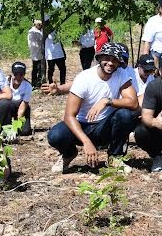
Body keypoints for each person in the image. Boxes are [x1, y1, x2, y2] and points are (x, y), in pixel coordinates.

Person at [46, 43, 138, 172]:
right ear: (99, 58)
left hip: (103, 126)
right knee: (55, 135)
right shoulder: (85, 78)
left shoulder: (121, 75)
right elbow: (69, 116)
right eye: (107, 58)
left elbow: (133, 103)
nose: (110, 63)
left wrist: (107, 101)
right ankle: (69, 154)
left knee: (125, 114)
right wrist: (86, 142)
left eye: (115, 60)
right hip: (81, 125)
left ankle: (115, 157)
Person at [0, 61, 33, 137]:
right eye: (15, 74)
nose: (18, 77)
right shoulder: (5, 81)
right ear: (12, 74)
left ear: (24, 75)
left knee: (24, 131)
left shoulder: (28, 86)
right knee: (4, 105)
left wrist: (16, 126)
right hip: (7, 107)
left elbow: (22, 108)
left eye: (21, 74)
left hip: (21, 107)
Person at [27, 18, 45, 88]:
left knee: (37, 68)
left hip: (37, 52)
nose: (40, 26)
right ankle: (35, 83)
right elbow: (41, 40)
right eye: (39, 25)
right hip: (37, 52)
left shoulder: (35, 31)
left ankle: (37, 83)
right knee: (37, 68)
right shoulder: (34, 32)